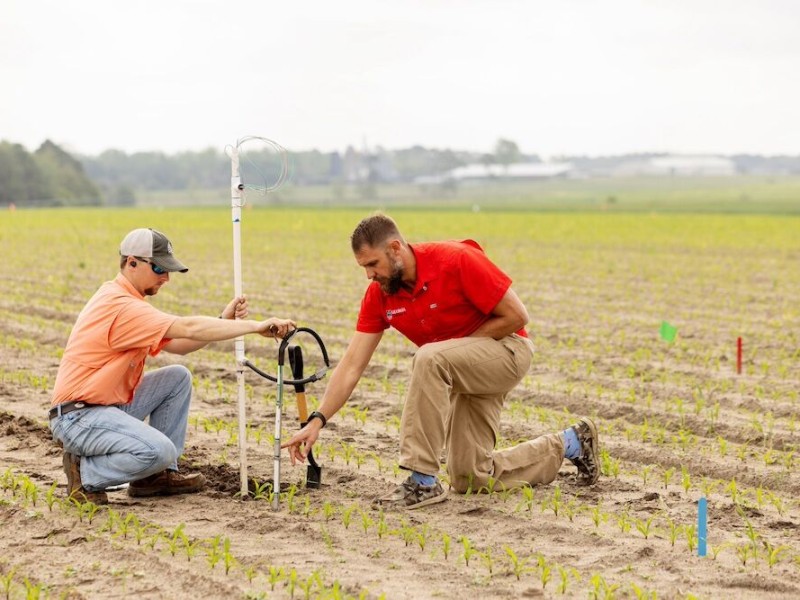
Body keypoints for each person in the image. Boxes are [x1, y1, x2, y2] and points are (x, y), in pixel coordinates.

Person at [283, 213, 599, 509]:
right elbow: (352, 364)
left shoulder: (456, 260)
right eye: (363, 267)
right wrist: (317, 421)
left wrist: (458, 347)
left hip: (507, 351)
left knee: (430, 358)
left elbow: (517, 316)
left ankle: (422, 480)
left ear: (395, 248)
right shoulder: (379, 295)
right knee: (470, 477)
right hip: (461, 366)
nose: (369, 275)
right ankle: (571, 442)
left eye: (373, 264)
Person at [50, 227, 295, 505]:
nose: (166, 277)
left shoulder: (127, 301)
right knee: (159, 451)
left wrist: (224, 320)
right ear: (132, 262)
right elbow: (188, 327)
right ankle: (85, 474)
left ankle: (154, 477)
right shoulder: (121, 306)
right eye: (158, 268)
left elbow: (181, 343)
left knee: (177, 378)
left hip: (103, 409)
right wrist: (255, 326)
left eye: (167, 270)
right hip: (78, 418)